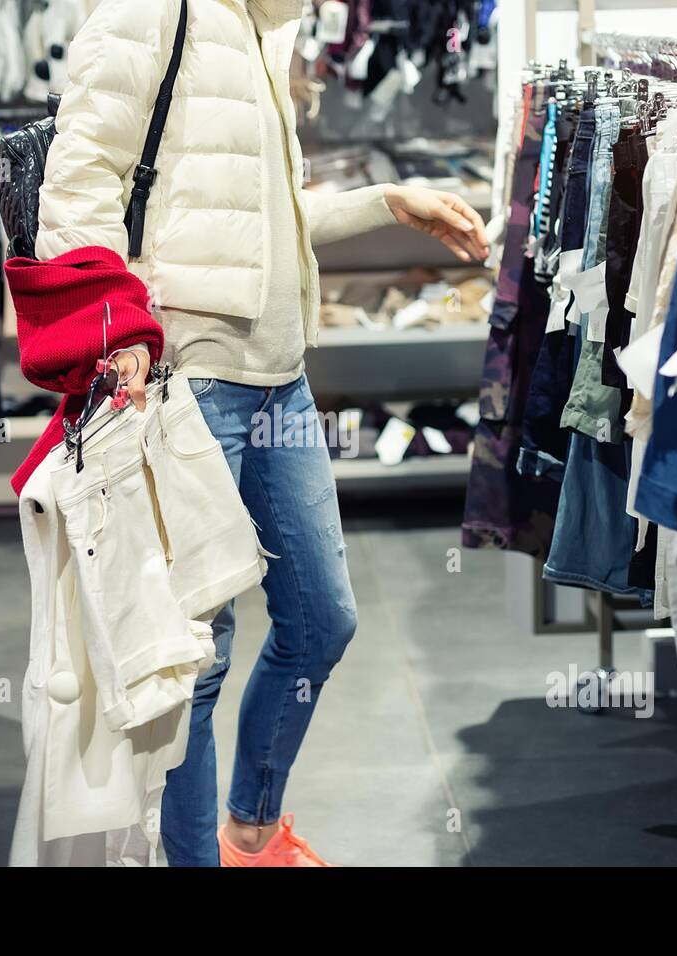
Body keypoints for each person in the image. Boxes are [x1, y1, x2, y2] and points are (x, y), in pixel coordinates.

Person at [35, 0, 488, 867]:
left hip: (280, 377)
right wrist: (121, 329)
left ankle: (248, 830)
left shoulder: (261, 23)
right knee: (195, 662)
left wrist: (388, 202)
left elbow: (256, 220)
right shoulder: (154, 10)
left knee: (321, 620)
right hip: (186, 379)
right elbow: (78, 184)